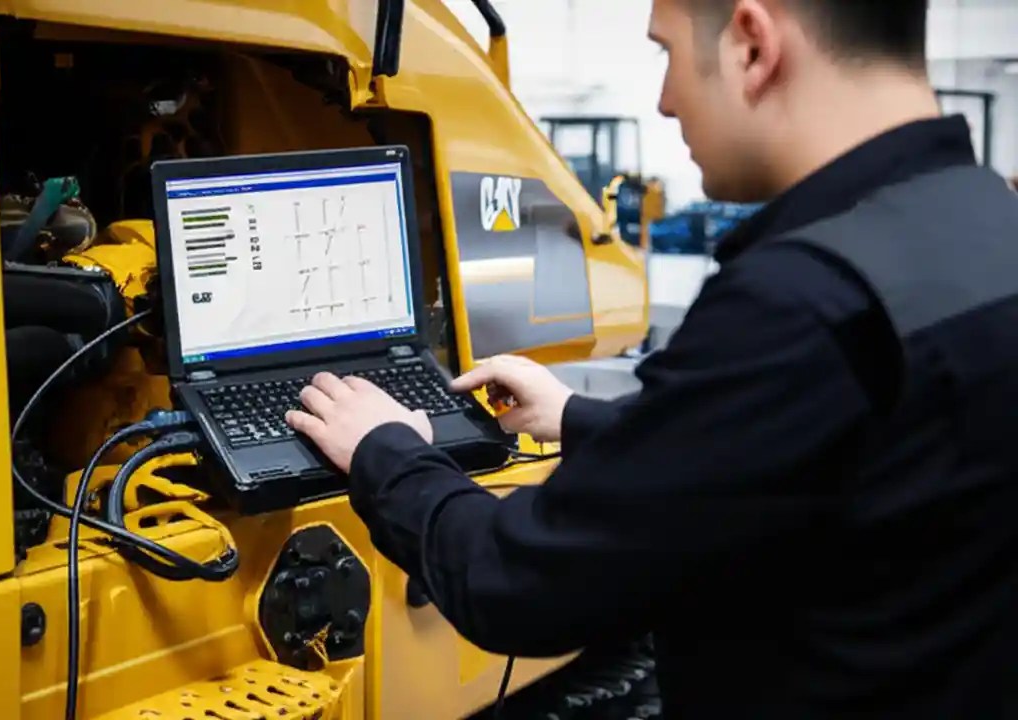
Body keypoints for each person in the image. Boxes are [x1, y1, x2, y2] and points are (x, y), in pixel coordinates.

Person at [286, 0, 1018, 717]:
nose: (666, 102)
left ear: (753, 44)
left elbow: (517, 584)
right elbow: (809, 453)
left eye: (666, 53)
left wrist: (386, 452)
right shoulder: (986, 224)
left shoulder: (802, 299)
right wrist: (576, 417)